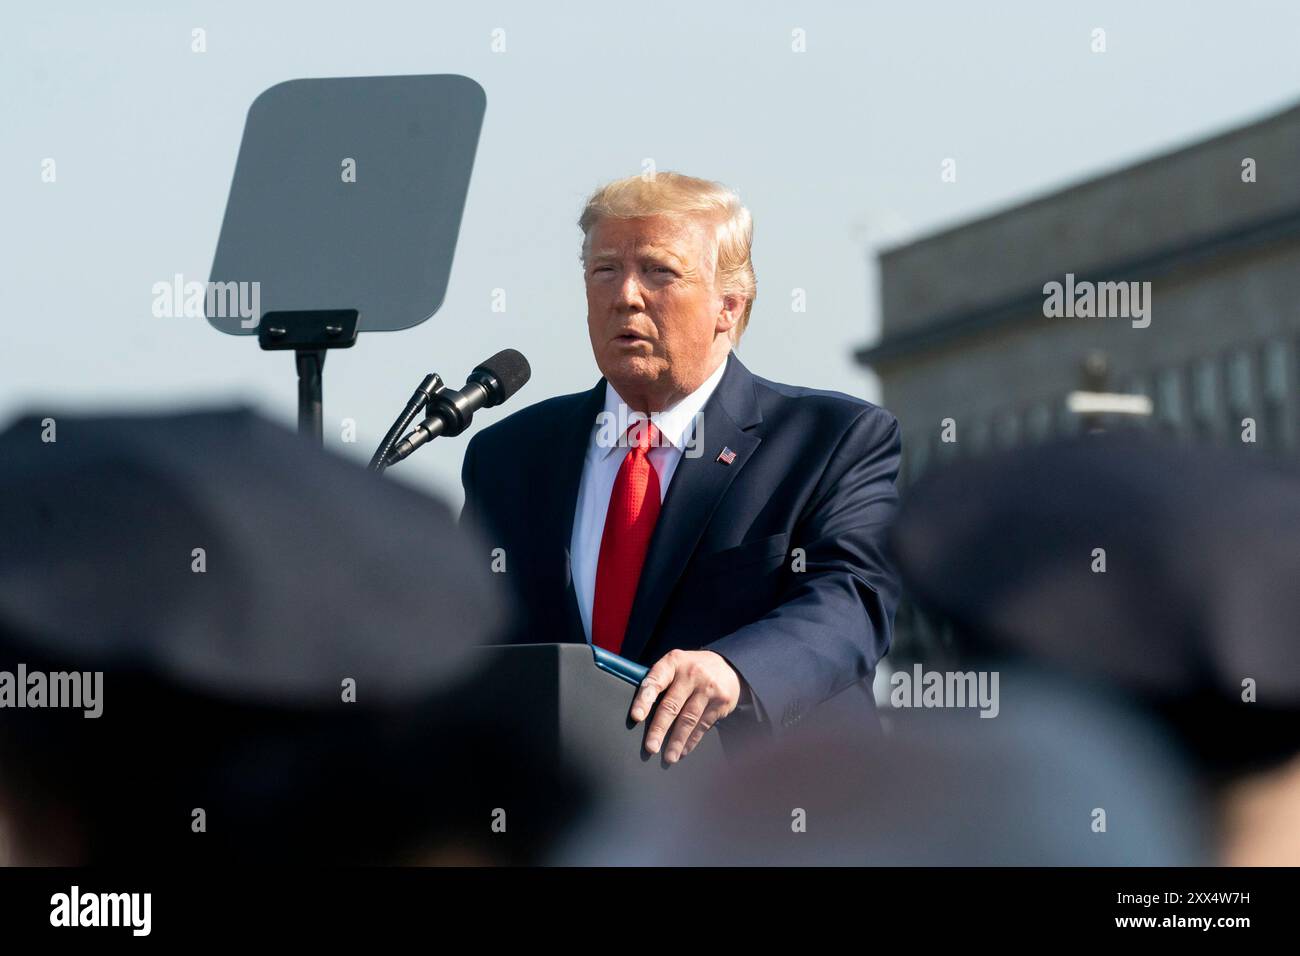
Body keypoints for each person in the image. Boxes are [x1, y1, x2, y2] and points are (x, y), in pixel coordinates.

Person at [460, 172, 902, 762]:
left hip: (768, 817)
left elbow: (854, 599)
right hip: (568, 825)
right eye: (604, 271)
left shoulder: (831, 439)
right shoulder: (511, 454)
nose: (626, 295)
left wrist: (735, 669)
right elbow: (469, 630)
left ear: (728, 305)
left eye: (659, 271)